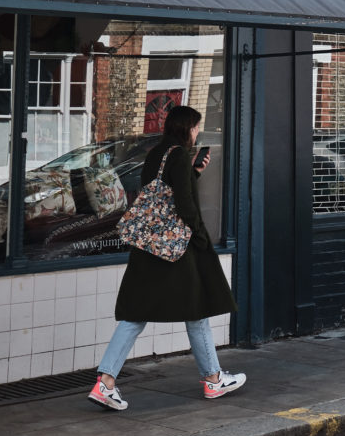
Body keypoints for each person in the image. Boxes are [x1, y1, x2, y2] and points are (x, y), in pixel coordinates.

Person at [88, 105, 244, 410]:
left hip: (149, 246)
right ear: (186, 127)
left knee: (135, 315)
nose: (198, 132)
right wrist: (200, 238)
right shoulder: (180, 156)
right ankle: (213, 380)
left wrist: (194, 173)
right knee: (196, 310)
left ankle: (105, 382)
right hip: (175, 250)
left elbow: (160, 195)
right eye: (196, 127)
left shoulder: (156, 154)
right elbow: (184, 205)